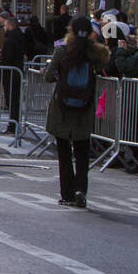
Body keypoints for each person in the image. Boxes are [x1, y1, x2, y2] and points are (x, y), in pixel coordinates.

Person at [43, 16, 110, 208]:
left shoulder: (62, 51)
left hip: (62, 108)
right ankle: (81, 190)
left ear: (71, 30)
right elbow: (105, 67)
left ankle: (67, 194)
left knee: (64, 154)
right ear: (91, 32)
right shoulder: (95, 53)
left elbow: (48, 76)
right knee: (81, 152)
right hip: (85, 108)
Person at [0, 13, 25, 134]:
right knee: (15, 100)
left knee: (12, 100)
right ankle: (14, 124)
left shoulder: (10, 40)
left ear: (10, 25)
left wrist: (1, 63)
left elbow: (7, 58)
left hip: (10, 73)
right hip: (17, 71)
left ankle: (12, 126)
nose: (4, 27)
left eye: (5, 25)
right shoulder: (20, 37)